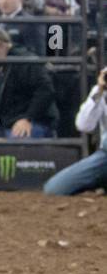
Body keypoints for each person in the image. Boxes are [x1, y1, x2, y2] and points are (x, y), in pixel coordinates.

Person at [44, 66, 107, 194]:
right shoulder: (100, 92)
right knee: (54, 189)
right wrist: (99, 91)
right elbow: (83, 125)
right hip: (105, 157)